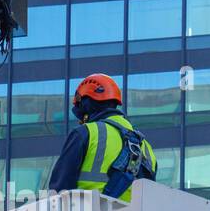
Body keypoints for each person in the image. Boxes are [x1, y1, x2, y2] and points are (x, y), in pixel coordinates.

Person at [47, 74, 157, 203]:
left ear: (86, 105)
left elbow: (59, 190)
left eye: (82, 114)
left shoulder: (85, 133)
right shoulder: (146, 148)